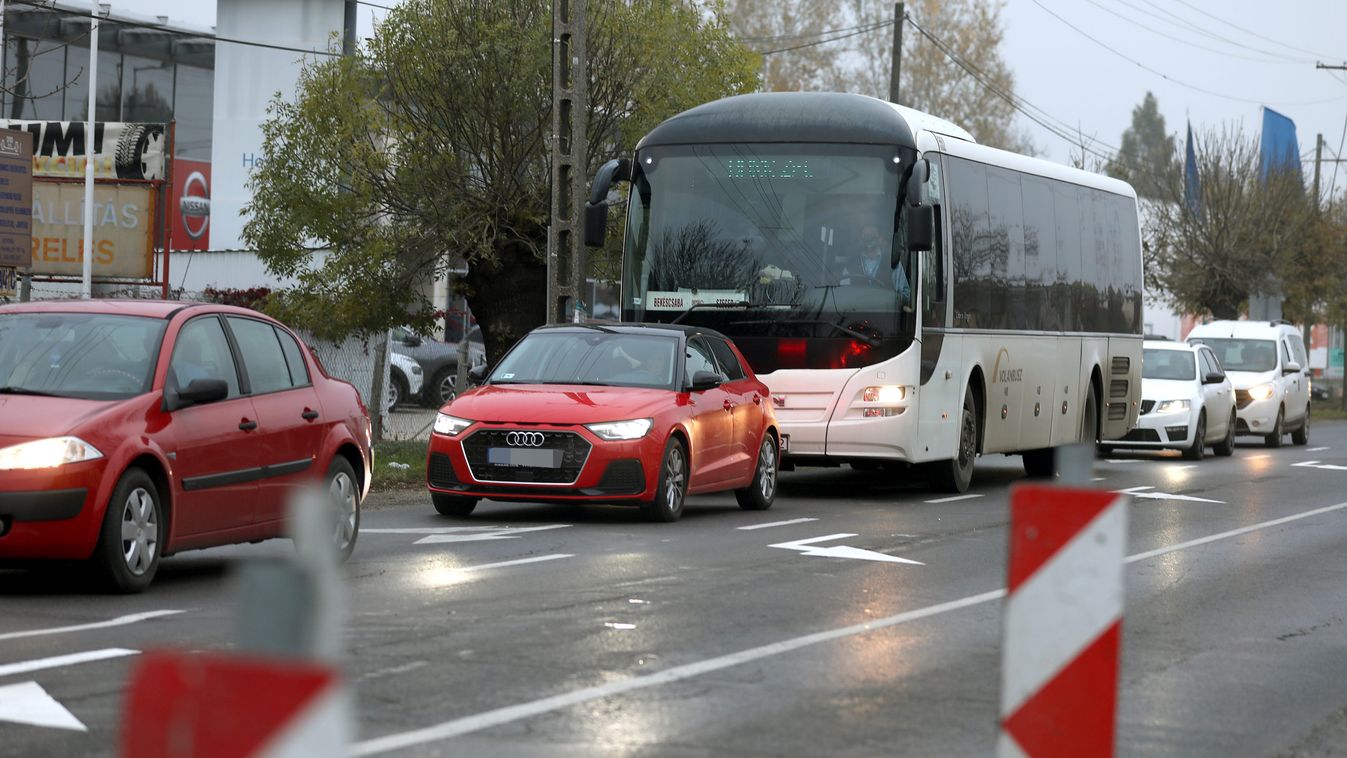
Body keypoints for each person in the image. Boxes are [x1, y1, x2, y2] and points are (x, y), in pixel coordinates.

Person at [841, 224, 911, 305]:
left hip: (886, 315)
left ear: (880, 237)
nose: (869, 237)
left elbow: (906, 295)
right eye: (865, 235)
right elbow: (842, 295)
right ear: (860, 238)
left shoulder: (893, 264)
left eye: (872, 234)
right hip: (853, 314)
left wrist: (891, 299)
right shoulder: (850, 266)